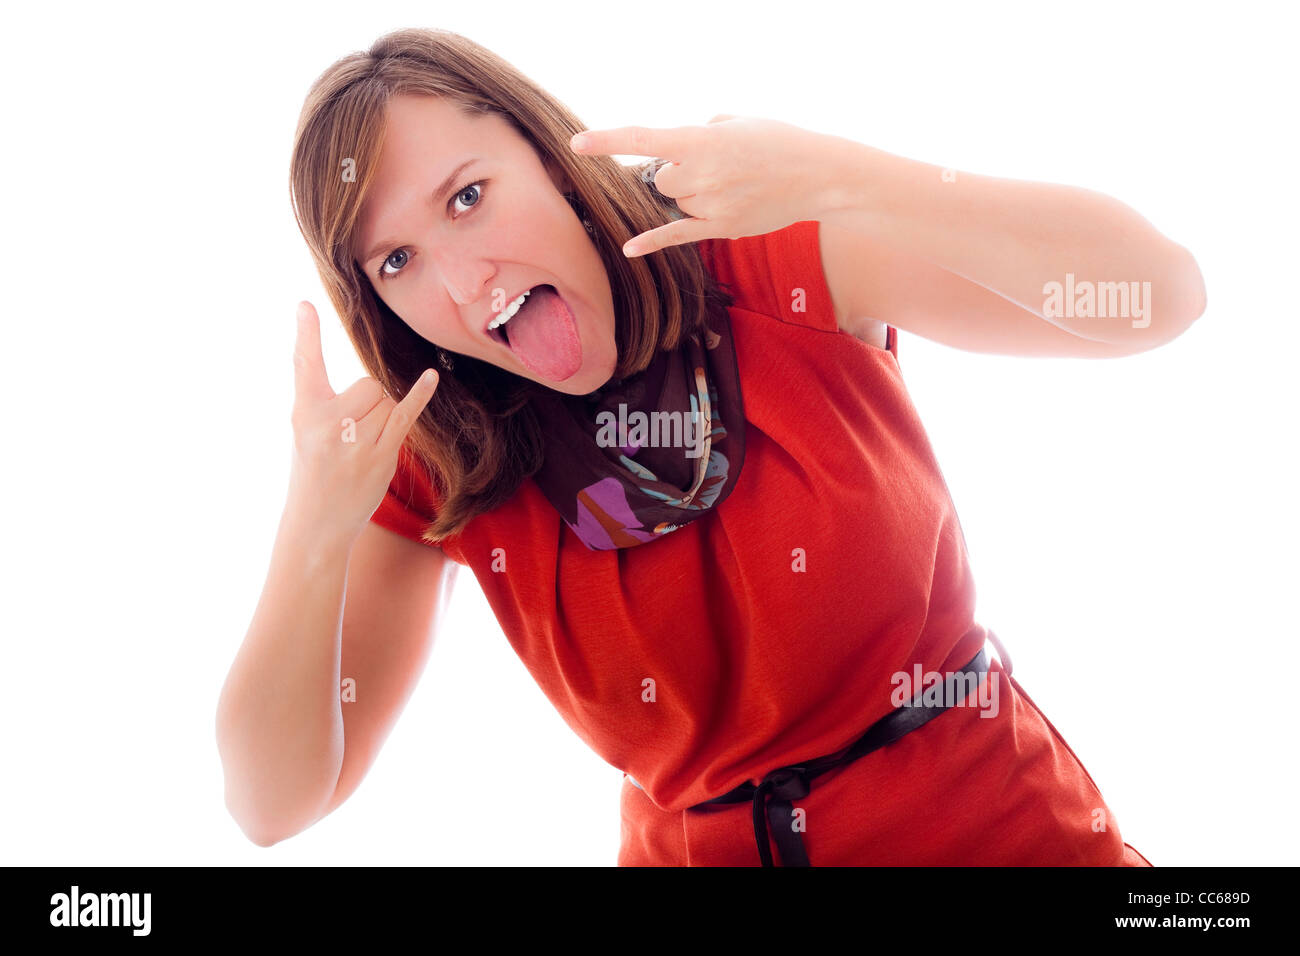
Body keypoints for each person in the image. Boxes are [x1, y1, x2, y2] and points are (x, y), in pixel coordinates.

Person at [217, 26, 1200, 864]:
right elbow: (271, 805)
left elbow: (1156, 295)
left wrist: (844, 177)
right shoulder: (438, 451)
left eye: (467, 197)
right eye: (397, 260)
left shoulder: (760, 254)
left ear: (551, 157)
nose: (465, 280)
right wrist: (311, 524)